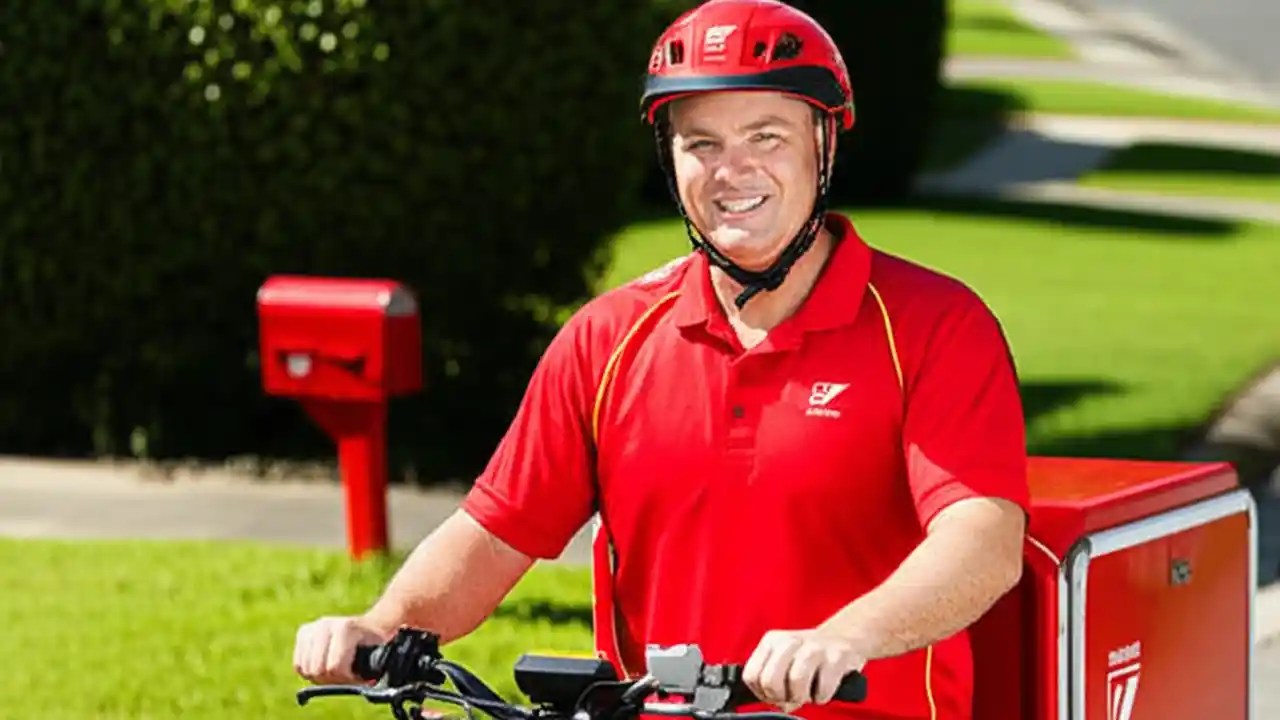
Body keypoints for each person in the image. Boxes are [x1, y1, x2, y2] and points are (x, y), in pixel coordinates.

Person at [293, 1, 1030, 718]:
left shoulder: (934, 326)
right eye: (701, 143)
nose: (731, 171)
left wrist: (847, 637)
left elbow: (982, 541)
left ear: (824, 142)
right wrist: (385, 625)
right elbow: (494, 533)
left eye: (766, 137)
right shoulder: (607, 339)